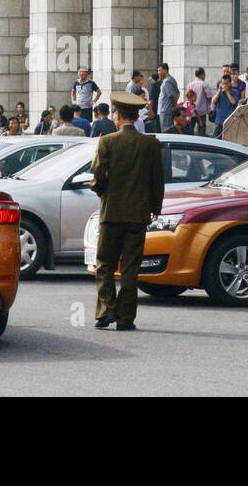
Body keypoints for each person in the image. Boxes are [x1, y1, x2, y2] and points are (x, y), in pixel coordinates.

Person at [90, 92, 165, 331]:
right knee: (131, 268)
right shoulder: (150, 143)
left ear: (119, 115)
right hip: (138, 216)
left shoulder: (107, 142)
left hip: (111, 213)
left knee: (104, 264)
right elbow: (158, 180)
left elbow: (98, 177)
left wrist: (103, 193)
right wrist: (155, 207)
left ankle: (105, 311)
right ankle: (125, 318)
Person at [186, 68, 213, 136]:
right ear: (202, 74)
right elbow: (209, 97)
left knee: (190, 129)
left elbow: (187, 97)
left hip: (191, 112)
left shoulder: (190, 84)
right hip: (201, 111)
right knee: (201, 130)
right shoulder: (204, 84)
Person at [212, 73, 238, 138]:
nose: (225, 85)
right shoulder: (219, 92)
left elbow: (233, 102)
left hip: (230, 121)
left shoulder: (234, 92)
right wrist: (219, 91)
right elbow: (213, 101)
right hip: (219, 121)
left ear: (230, 83)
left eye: (227, 83)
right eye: (223, 83)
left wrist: (227, 92)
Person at [156, 63, 179, 132]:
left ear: (165, 70)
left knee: (166, 131)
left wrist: (175, 105)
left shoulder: (167, 81)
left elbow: (173, 95)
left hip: (166, 111)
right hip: (166, 110)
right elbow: (177, 94)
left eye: (160, 70)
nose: (158, 73)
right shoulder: (169, 79)